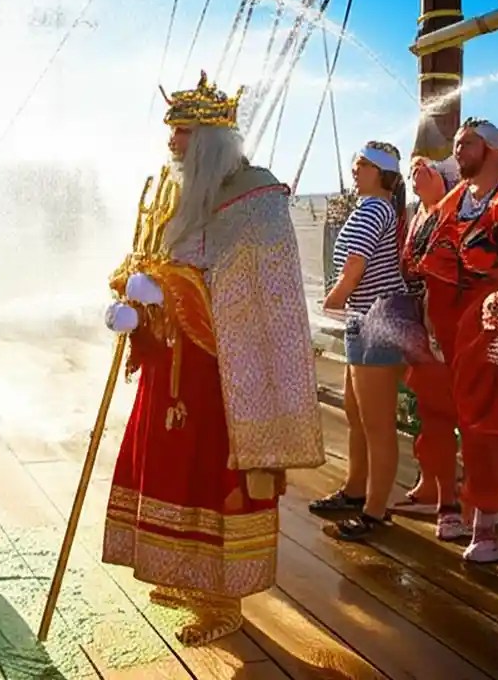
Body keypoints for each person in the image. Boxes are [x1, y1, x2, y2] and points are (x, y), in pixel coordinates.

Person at [101, 71, 324, 646]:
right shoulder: (185, 194)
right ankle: (183, 574)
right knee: (175, 476)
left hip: (225, 382)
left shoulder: (257, 200)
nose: (171, 144)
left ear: (210, 139)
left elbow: (247, 298)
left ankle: (223, 600)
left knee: (211, 480)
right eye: (171, 133)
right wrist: (137, 300)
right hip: (174, 369)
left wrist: (169, 289)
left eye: (181, 134)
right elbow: (163, 264)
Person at [410, 118, 498, 561]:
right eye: (459, 143)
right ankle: (450, 505)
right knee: (438, 407)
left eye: (468, 143)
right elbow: (426, 257)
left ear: (493, 149)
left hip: (488, 317)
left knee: (482, 417)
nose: (459, 150)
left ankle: (486, 523)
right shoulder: (457, 197)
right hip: (444, 321)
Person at [310, 142, 410, 540]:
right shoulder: (377, 207)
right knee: (357, 413)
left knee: (377, 423)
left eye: (363, 164)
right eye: (356, 163)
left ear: (382, 173)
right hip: (365, 321)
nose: (356, 169)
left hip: (375, 322)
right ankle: (356, 489)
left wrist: (330, 303)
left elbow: (355, 267)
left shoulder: (373, 209)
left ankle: (375, 509)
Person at [395, 156, 463, 533]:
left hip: (441, 329)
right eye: (413, 171)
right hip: (421, 326)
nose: (416, 175)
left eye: (426, 171)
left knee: (444, 412)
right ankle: (431, 485)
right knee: (427, 409)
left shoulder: (447, 217)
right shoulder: (419, 215)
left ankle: (452, 498)